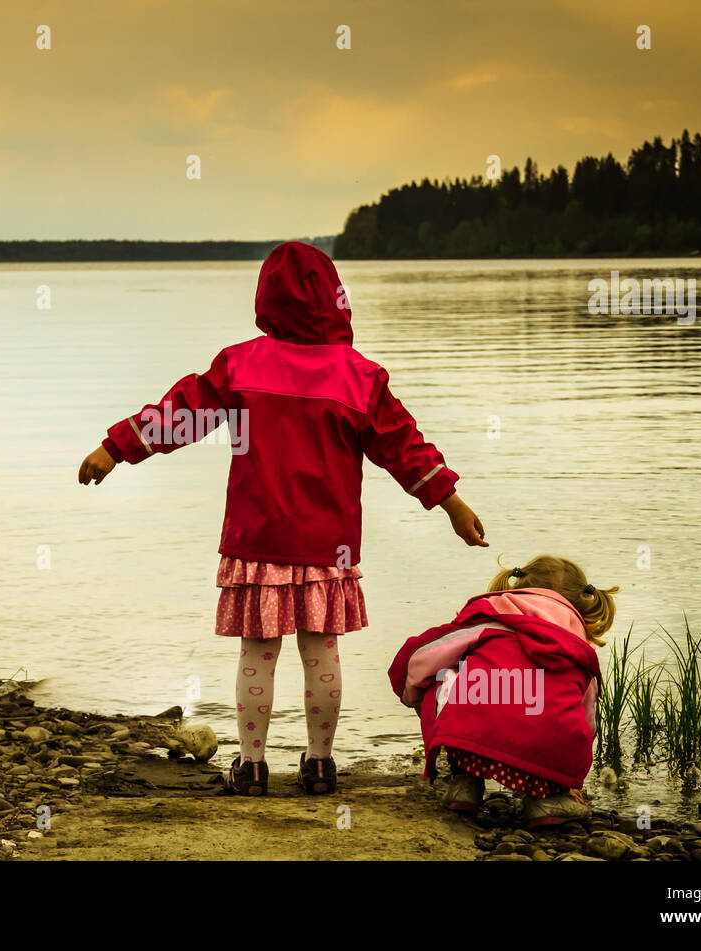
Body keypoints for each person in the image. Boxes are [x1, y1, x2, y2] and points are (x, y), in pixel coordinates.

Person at [79, 241, 486, 795]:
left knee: (257, 654)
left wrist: (116, 448)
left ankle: (251, 767)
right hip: (328, 548)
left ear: (266, 299)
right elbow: (403, 447)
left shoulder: (241, 365)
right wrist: (451, 503)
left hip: (258, 540)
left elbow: (181, 414)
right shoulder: (359, 376)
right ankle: (320, 764)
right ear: (337, 301)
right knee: (321, 652)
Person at [388, 555, 618, 826]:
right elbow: (586, 722)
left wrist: (412, 696)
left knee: (443, 675)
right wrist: (569, 778)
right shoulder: (580, 650)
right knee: (561, 715)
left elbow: (420, 658)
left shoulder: (491, 620)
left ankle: (465, 782)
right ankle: (548, 800)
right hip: (548, 751)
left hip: (472, 739)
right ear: (582, 602)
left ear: (517, 585)